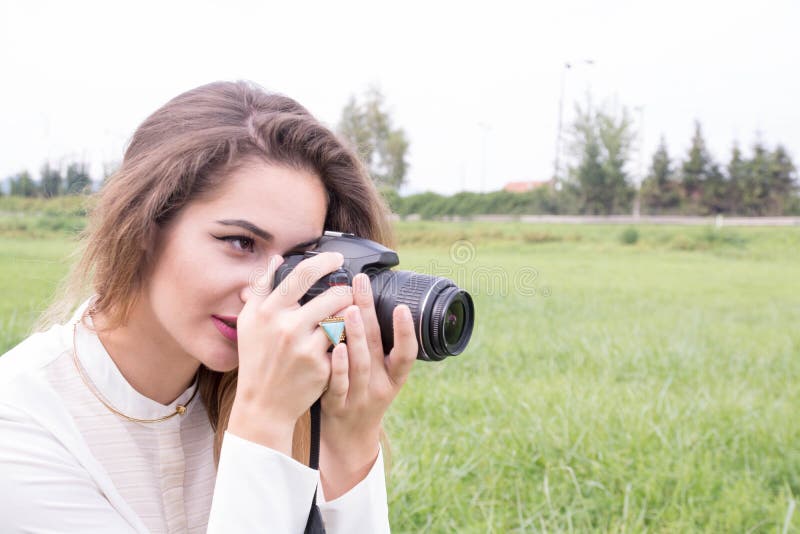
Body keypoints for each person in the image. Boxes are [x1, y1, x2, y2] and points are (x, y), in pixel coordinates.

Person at [0, 80, 418, 533]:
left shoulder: (262, 388)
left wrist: (351, 440)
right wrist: (264, 418)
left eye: (299, 260)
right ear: (143, 225)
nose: (269, 289)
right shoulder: (22, 423)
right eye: (240, 242)